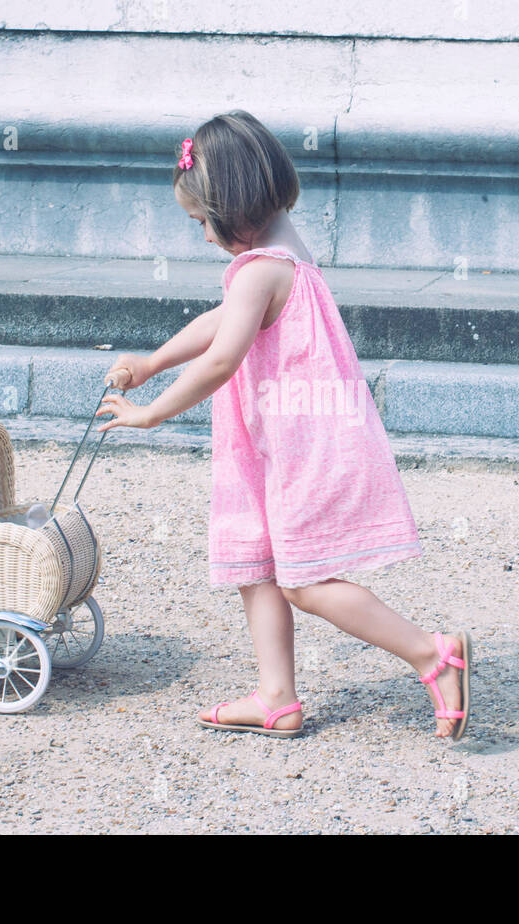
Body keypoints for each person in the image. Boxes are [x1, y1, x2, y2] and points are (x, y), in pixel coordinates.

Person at [95, 110, 471, 739]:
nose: (206, 239)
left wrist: (153, 412)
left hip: (301, 442)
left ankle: (433, 653)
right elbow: (223, 321)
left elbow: (222, 357)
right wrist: (154, 360)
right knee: (258, 560)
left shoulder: (260, 269)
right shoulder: (284, 251)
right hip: (274, 438)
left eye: (202, 224)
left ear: (233, 210)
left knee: (303, 580)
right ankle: (277, 695)